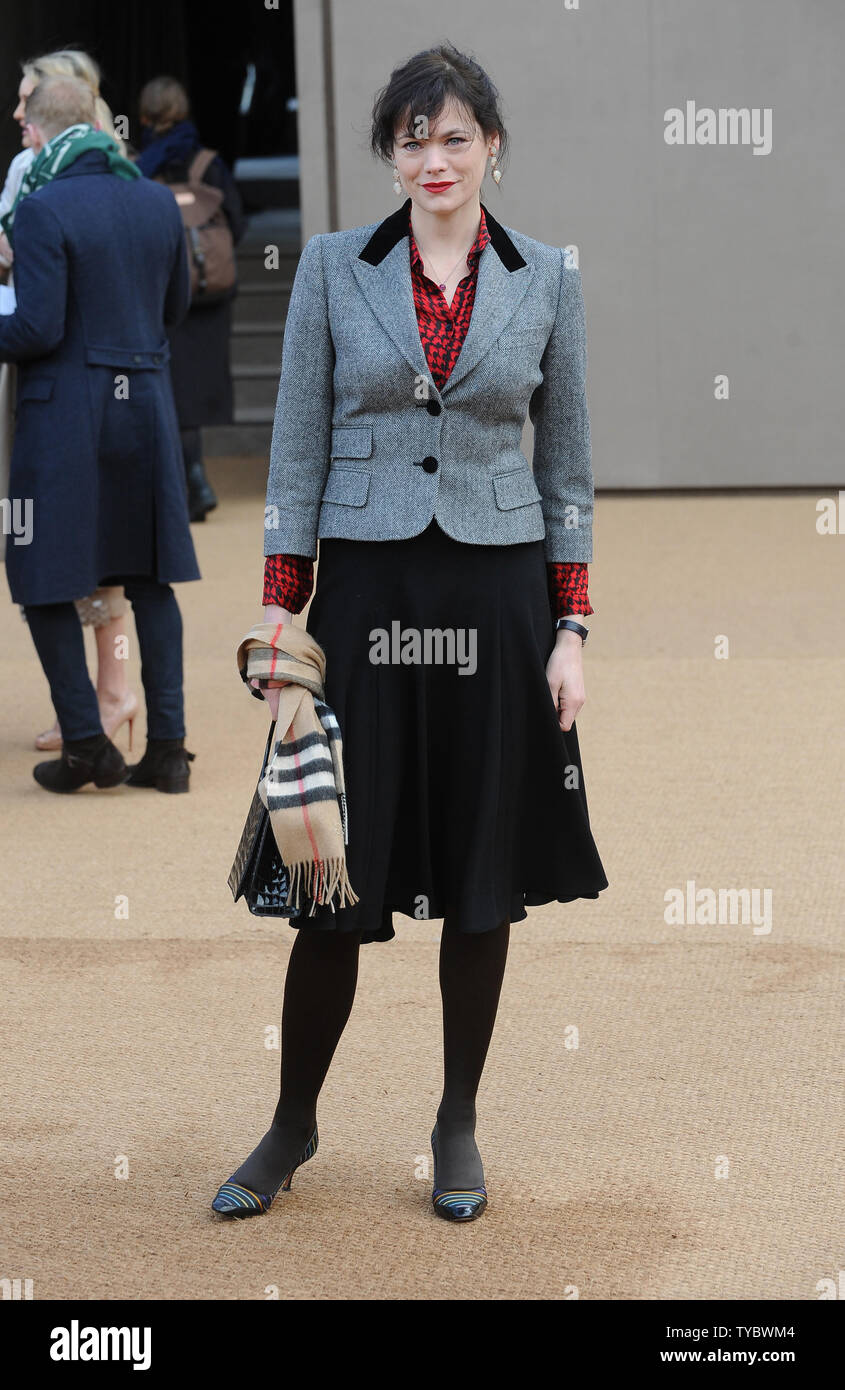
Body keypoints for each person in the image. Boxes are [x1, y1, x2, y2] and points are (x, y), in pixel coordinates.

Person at [211, 43, 608, 1224]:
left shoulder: (546, 279)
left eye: (452, 137)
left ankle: (455, 1121)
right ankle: (292, 1122)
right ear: (388, 153)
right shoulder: (334, 270)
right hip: (367, 596)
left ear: (491, 146)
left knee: (480, 878)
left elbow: (570, 468)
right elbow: (292, 457)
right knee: (330, 866)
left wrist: (570, 628)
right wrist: (284, 622)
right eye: (409, 139)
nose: (431, 159)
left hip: (495, 602)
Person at [0, 73, 200, 794]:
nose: (21, 132)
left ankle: (87, 744)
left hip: (65, 414)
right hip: (144, 403)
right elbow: (175, 307)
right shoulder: (155, 200)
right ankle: (169, 749)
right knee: (149, 577)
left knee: (43, 578)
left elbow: (35, 328)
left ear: (46, 132)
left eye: (25, 123)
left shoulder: (42, 207)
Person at [0, 49, 138, 753]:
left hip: (58, 361)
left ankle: (110, 696)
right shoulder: (49, 166)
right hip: (49, 363)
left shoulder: (64, 171)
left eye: (27, 100)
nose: (18, 112)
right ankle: (102, 700)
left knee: (85, 540)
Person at [136, 76, 247, 522]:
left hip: (164, 297)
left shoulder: (140, 169)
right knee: (195, 393)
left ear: (144, 118)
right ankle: (195, 480)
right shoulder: (209, 164)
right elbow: (237, 222)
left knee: (169, 390)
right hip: (212, 297)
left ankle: (185, 486)